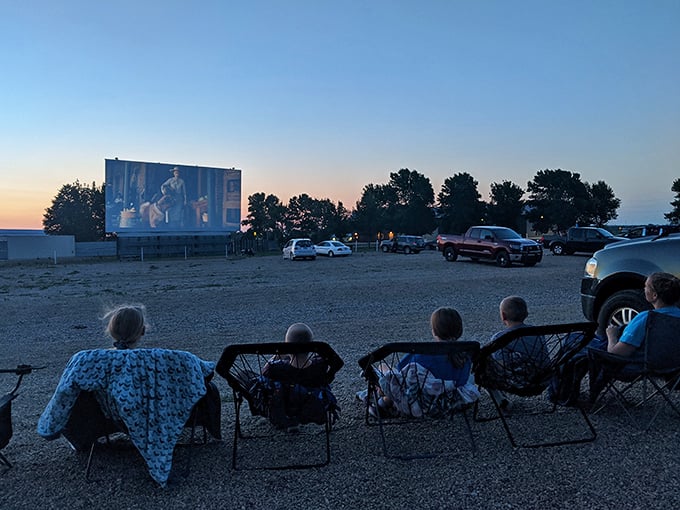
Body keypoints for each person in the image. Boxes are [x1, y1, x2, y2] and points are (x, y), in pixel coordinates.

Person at [371, 307, 480, 417]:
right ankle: (383, 399)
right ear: (460, 330)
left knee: (384, 367)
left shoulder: (422, 353)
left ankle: (383, 400)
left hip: (420, 403)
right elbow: (463, 382)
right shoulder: (465, 355)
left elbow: (400, 374)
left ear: (434, 331)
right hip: (450, 401)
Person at [252, 323, 339, 431]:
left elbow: (263, 374)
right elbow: (337, 363)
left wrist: (279, 354)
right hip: (312, 408)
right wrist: (329, 377)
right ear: (311, 345)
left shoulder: (276, 369)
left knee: (247, 377)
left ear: (287, 346)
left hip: (284, 408)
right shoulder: (320, 365)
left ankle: (288, 421)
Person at [484, 296, 549, 408]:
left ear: (503, 316)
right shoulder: (538, 333)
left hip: (517, 382)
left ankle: (500, 400)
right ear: (526, 314)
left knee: (482, 367)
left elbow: (500, 365)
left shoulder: (500, 338)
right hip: (543, 379)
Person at [604, 272, 680, 358]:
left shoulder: (645, 318)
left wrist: (612, 336)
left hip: (643, 369)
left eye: (646, 286)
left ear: (654, 295)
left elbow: (615, 354)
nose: (644, 289)